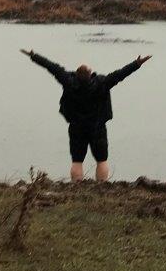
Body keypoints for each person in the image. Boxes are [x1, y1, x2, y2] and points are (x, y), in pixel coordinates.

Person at [20, 49, 152, 182]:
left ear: (76, 74)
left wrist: (34, 56)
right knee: (102, 159)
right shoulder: (102, 83)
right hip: (97, 127)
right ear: (90, 74)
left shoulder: (68, 81)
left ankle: (76, 186)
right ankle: (102, 185)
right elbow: (120, 74)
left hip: (76, 127)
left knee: (77, 160)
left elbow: (52, 67)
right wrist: (136, 63)